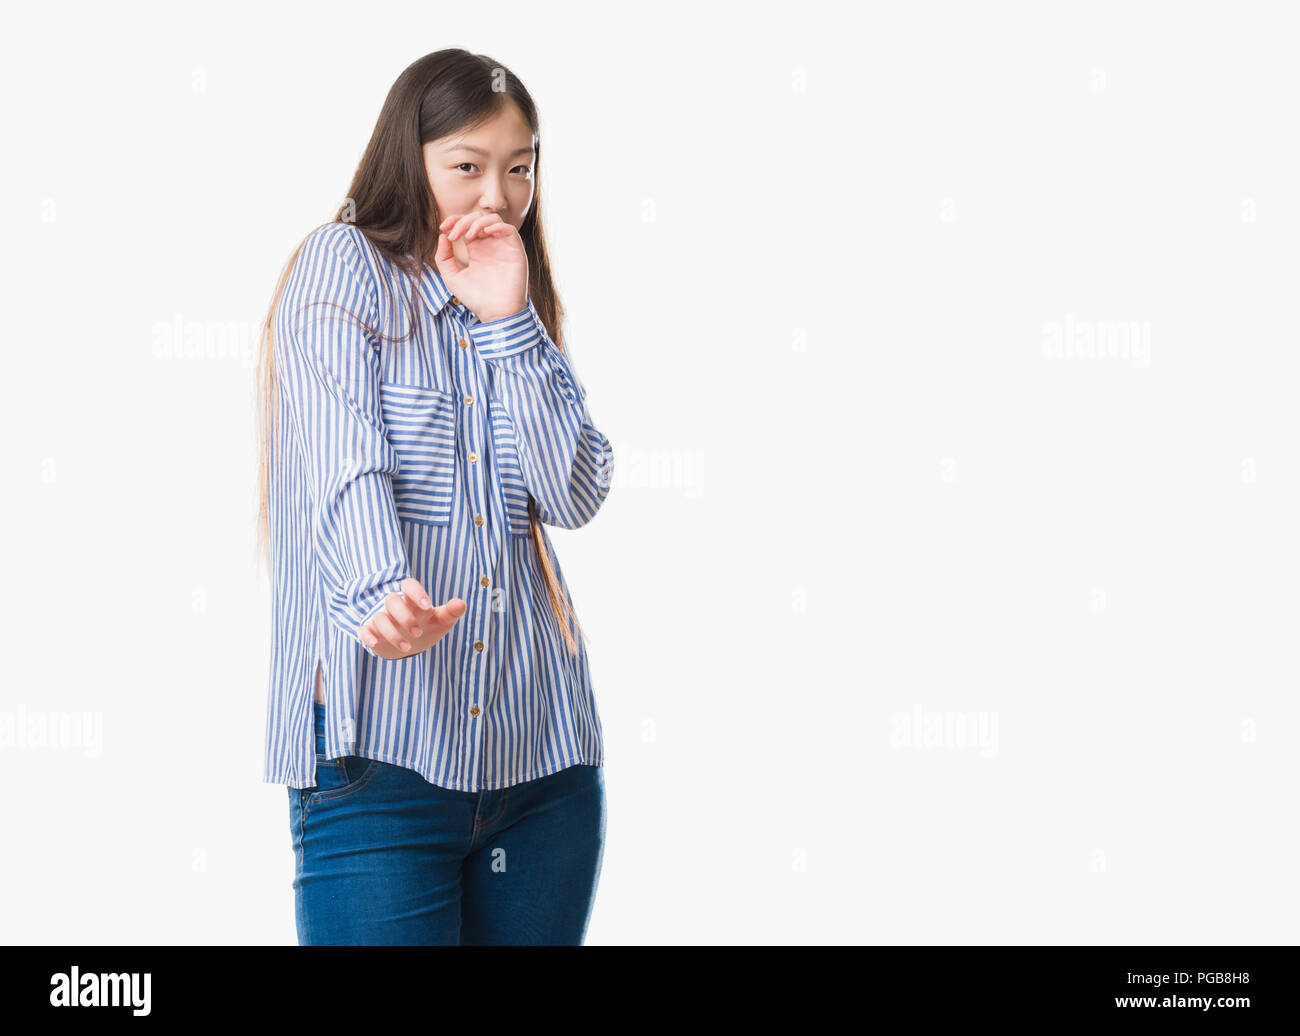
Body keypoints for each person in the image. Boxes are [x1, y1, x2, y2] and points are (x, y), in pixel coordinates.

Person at [253, 48, 614, 945]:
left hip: (542, 771)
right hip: (381, 768)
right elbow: (342, 461)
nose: (497, 196)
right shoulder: (344, 267)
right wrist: (381, 592)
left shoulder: (513, 300)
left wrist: (509, 322)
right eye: (467, 166)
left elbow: (575, 492)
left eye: (520, 168)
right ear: (408, 160)